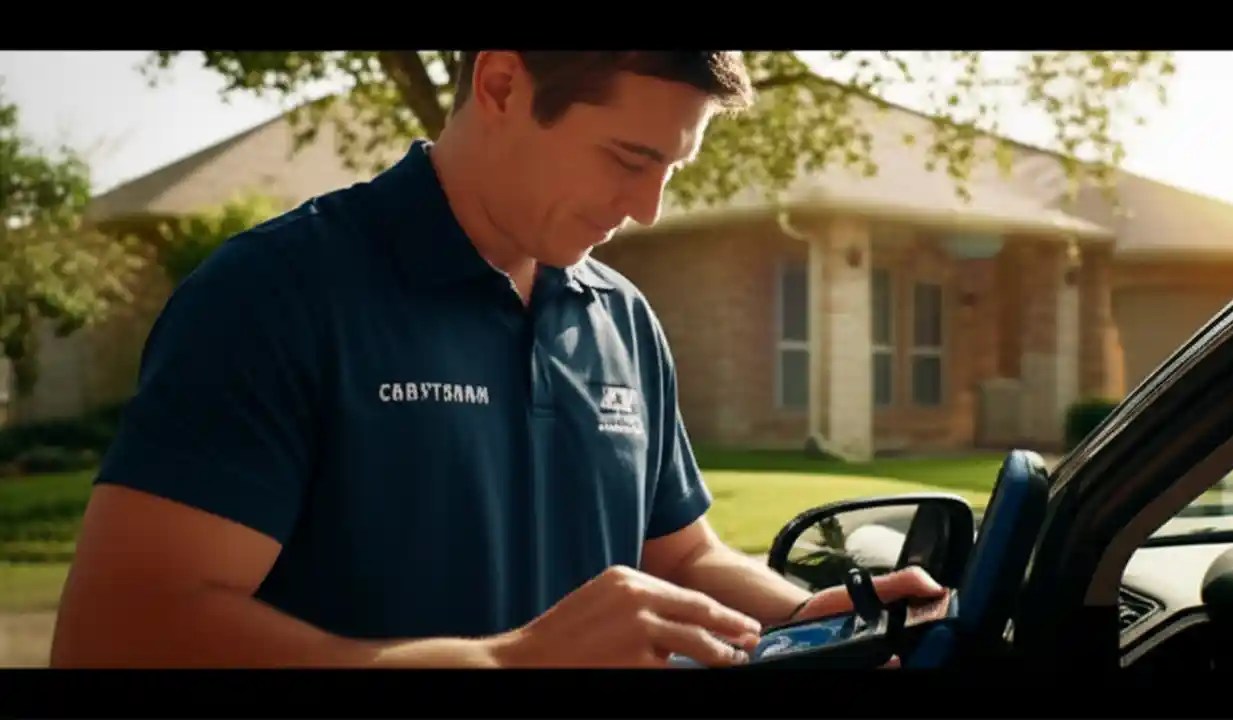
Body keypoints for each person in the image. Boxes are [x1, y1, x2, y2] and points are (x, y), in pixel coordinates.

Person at [49, 51, 943, 669]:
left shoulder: (622, 319)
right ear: (505, 82)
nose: (650, 209)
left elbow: (680, 553)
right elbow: (117, 634)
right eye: (630, 157)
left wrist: (799, 619)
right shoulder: (273, 296)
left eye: (672, 168)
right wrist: (499, 665)